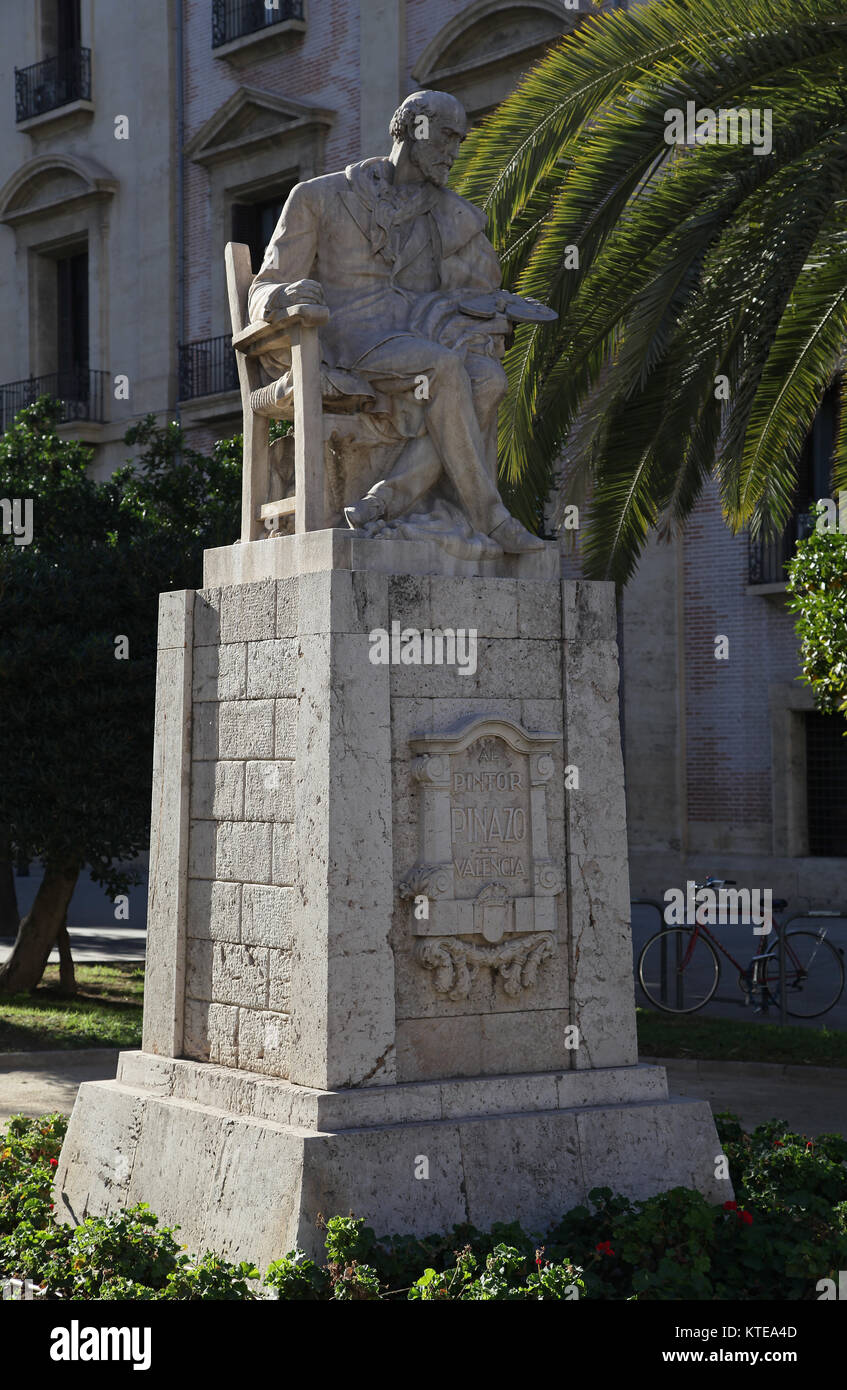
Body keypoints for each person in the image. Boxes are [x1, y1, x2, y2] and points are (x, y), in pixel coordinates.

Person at [248, 89, 555, 555]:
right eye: (448, 138)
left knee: (488, 380)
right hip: (346, 337)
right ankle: (491, 518)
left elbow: (469, 288)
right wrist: (284, 296)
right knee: (444, 369)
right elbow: (263, 288)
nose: (454, 154)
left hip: (414, 335)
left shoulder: (450, 217)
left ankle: (386, 500)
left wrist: (490, 311)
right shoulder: (319, 197)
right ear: (417, 129)